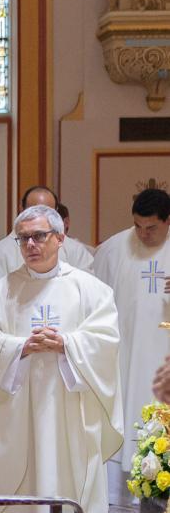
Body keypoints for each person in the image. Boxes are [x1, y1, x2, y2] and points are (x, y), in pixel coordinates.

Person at [0, 205, 121, 513]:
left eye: (39, 236)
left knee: (67, 475)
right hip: (19, 411)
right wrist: (20, 347)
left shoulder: (89, 289)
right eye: (23, 238)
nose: (30, 245)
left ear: (60, 238)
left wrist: (66, 343)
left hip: (69, 410)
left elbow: (106, 339)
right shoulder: (3, 290)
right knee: (24, 488)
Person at [92, 187, 170, 486]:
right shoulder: (113, 249)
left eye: (151, 227)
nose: (143, 234)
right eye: (138, 226)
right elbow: (93, 301)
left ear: (167, 221)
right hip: (126, 355)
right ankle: (120, 490)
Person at [0, 186, 95, 279]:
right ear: (22, 209)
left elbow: (88, 288)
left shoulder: (75, 251)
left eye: (48, 211)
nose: (41, 217)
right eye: (35, 210)